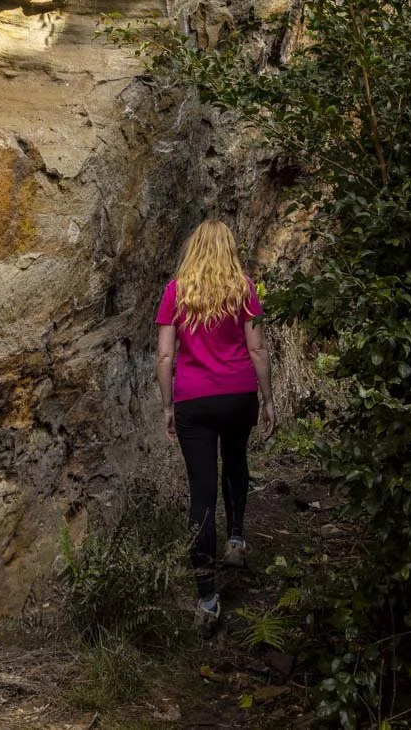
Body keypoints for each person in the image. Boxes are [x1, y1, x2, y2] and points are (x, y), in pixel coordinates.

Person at [155, 220, 276, 631]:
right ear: (228, 248)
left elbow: (165, 357)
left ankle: (207, 599)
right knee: (237, 459)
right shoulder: (242, 287)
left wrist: (167, 406)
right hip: (239, 393)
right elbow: (257, 347)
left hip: (194, 400)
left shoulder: (176, 292)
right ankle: (237, 539)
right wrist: (269, 398)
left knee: (201, 493)